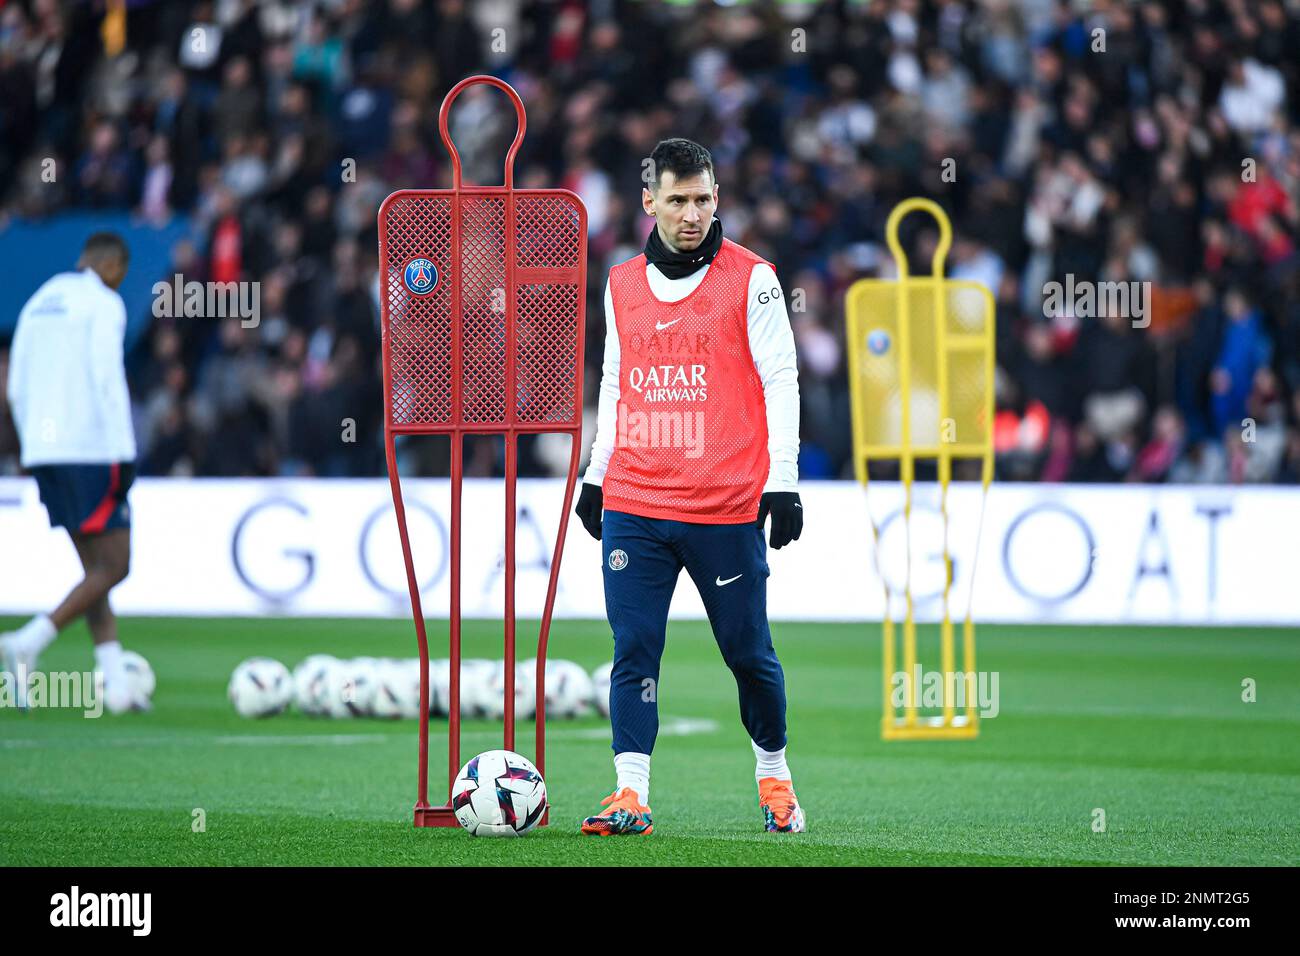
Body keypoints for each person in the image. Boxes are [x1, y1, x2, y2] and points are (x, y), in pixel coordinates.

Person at [574, 139, 804, 834]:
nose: (692, 214)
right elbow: (616, 382)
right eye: (677, 200)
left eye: (703, 199)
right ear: (650, 202)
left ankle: (774, 774)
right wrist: (595, 473)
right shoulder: (619, 284)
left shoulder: (754, 279)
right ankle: (630, 795)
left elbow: (781, 379)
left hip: (723, 505)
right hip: (637, 502)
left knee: (748, 655)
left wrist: (783, 482)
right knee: (633, 648)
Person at [2, 232, 144, 713]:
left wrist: (31, 445)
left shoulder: (39, 301)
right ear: (112, 265)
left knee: (94, 571)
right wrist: (125, 451)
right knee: (116, 564)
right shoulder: (102, 303)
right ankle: (28, 641)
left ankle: (117, 687)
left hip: (45, 450)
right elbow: (108, 378)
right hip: (90, 446)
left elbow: (16, 385)